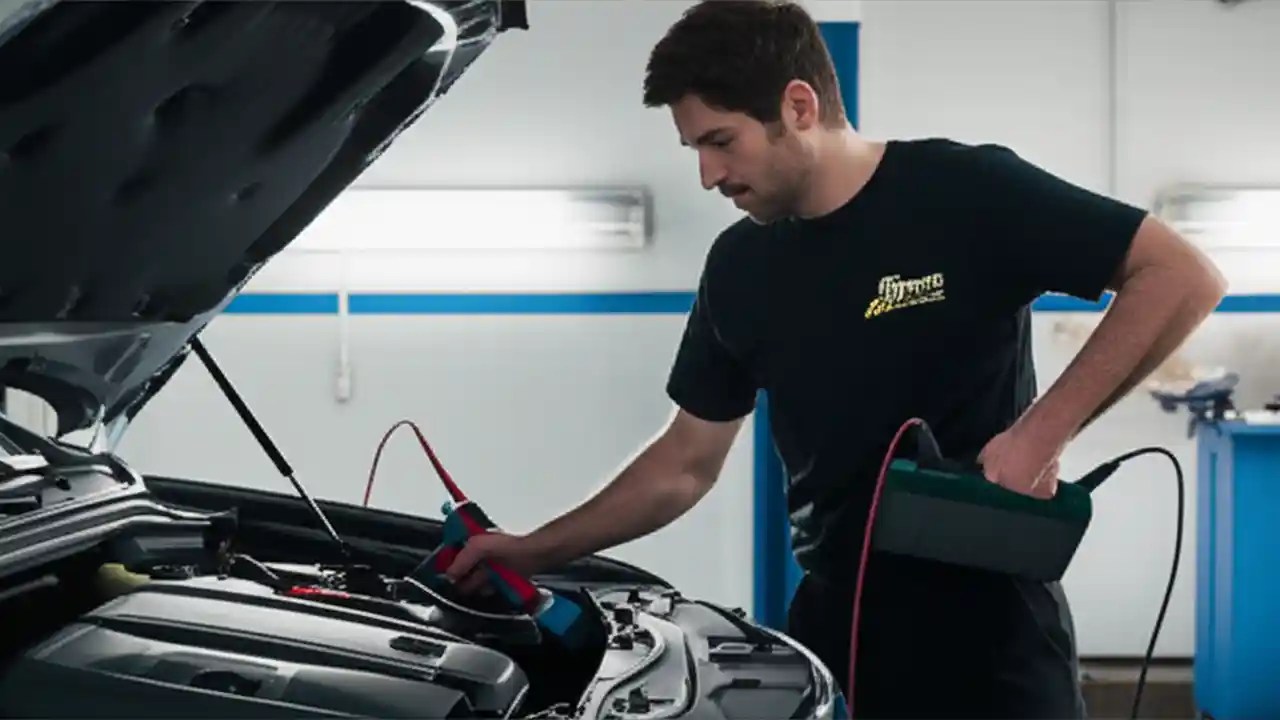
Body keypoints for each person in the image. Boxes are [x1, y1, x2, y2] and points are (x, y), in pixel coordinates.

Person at [445, 1, 1227, 717]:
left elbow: (1181, 276)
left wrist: (1041, 434)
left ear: (798, 105)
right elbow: (685, 462)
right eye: (694, 149)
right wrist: (533, 549)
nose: (708, 175)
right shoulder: (740, 269)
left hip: (995, 637)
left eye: (721, 141)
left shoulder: (966, 192)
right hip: (835, 632)